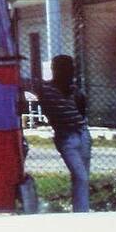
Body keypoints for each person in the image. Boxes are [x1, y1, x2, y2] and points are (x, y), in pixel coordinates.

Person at [37, 54, 91, 212]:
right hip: (66, 136)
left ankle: (81, 211)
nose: (70, 72)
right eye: (66, 69)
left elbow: (81, 111)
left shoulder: (74, 90)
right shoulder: (46, 90)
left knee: (82, 179)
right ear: (56, 70)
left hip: (82, 133)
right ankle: (81, 212)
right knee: (81, 176)